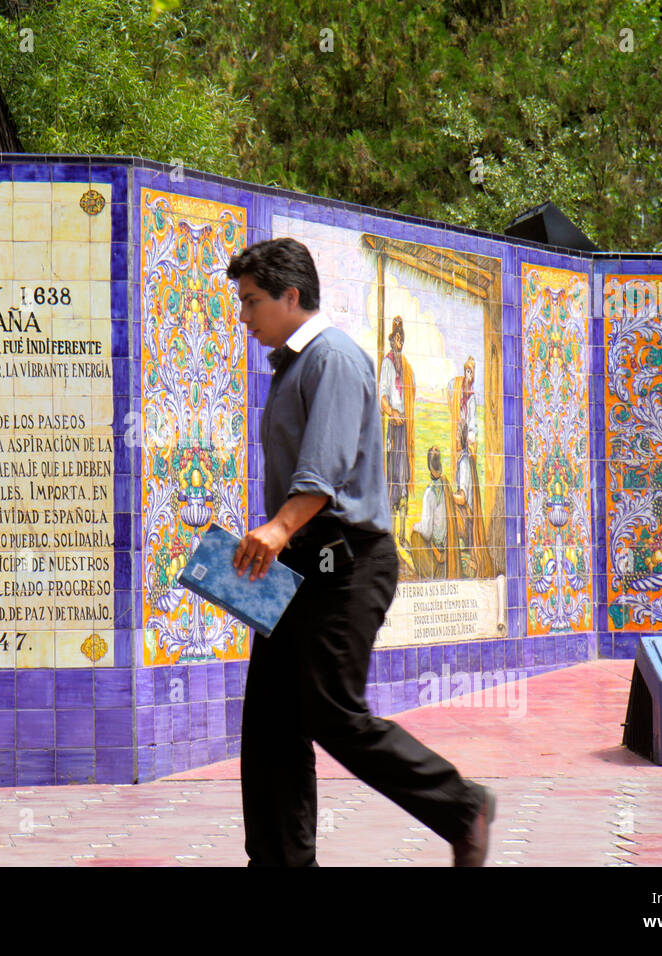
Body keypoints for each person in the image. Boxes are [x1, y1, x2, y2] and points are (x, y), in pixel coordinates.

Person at [227, 237, 495, 867]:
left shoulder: (334, 359)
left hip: (345, 564)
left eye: (252, 301)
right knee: (268, 724)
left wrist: (275, 529)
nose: (245, 317)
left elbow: (322, 473)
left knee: (331, 711)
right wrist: (275, 543)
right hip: (296, 565)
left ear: (292, 296)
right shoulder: (292, 364)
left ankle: (461, 806)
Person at [447, 356, 495, 579]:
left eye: (470, 373)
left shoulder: (465, 463)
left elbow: (463, 498)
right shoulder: (459, 391)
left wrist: (447, 493)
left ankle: (466, 557)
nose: (467, 376)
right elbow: (449, 390)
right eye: (466, 372)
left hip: (465, 517)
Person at [379, 320, 416, 545]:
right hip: (394, 428)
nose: (399, 341)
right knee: (393, 479)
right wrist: (392, 412)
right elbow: (382, 396)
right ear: (392, 340)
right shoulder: (387, 363)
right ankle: (391, 535)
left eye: (402, 337)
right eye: (396, 337)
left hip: (405, 430)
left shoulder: (406, 367)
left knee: (403, 479)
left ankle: (402, 535)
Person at [409, 446, 453, 580]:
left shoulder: (430, 492)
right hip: (446, 540)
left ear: (429, 465)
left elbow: (427, 532)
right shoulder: (446, 485)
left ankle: (430, 571)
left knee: (415, 536)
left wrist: (414, 527)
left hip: (437, 543)